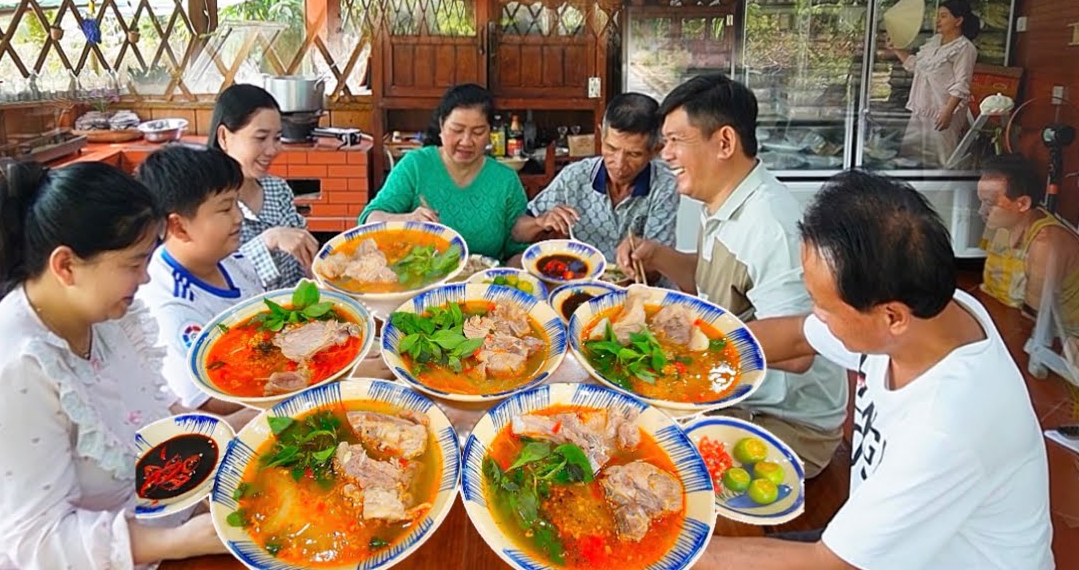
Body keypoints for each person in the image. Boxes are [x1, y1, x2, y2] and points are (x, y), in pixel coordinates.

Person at [697, 170, 1053, 570]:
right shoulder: (928, 312)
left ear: (892, 317)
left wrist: (666, 550)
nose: (816, 314)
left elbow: (829, 563)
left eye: (824, 306)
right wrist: (690, 357)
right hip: (886, 547)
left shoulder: (945, 426)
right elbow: (797, 335)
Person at [0, 161, 228, 568]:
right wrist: (179, 541)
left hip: (148, 530)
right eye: (133, 263)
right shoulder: (14, 371)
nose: (145, 278)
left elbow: (157, 417)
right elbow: (41, 542)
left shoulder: (101, 316)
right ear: (66, 266)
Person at [615, 75, 846, 477]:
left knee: (643, 462)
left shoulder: (771, 224)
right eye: (664, 142)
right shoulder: (725, 202)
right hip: (736, 394)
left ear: (724, 142)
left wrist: (682, 352)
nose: (664, 154)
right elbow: (715, 281)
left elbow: (799, 350)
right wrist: (658, 256)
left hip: (785, 425)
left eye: (675, 140)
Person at [135, 144, 263, 413]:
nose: (238, 217)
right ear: (179, 226)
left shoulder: (229, 258)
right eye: (225, 209)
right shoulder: (170, 306)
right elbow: (205, 399)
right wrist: (290, 383)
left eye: (236, 203)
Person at [360, 83, 529, 261]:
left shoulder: (505, 180)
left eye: (478, 132)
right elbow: (369, 219)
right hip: (421, 276)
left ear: (489, 133)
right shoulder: (415, 166)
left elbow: (519, 249)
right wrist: (406, 221)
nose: (466, 141)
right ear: (442, 126)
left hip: (484, 277)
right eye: (457, 130)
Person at [512, 92, 679, 262]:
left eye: (634, 154)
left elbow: (659, 265)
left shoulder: (664, 185)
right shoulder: (575, 176)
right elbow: (518, 232)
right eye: (611, 148)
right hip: (580, 275)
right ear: (601, 135)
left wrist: (638, 256)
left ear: (655, 150)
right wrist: (540, 222)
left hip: (637, 278)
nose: (619, 163)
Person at [208, 83, 319, 290]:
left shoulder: (278, 190)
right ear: (223, 137)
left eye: (277, 138)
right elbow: (214, 278)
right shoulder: (206, 204)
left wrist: (316, 272)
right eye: (260, 138)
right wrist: (270, 239)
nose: (272, 150)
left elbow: (302, 268)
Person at [979, 153, 1079, 339]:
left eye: (989, 203)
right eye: (981, 200)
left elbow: (1030, 323)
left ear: (1022, 203)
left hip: (1065, 342)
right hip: (1003, 318)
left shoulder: (1046, 244)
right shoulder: (1000, 223)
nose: (981, 210)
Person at [889, 0, 981, 168]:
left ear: (958, 21)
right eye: (937, 16)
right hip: (921, 108)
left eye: (943, 16)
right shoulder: (934, 42)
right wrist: (896, 49)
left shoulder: (964, 48)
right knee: (913, 157)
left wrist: (947, 112)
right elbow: (916, 66)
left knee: (939, 159)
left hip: (942, 112)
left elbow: (962, 83)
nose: (937, 20)